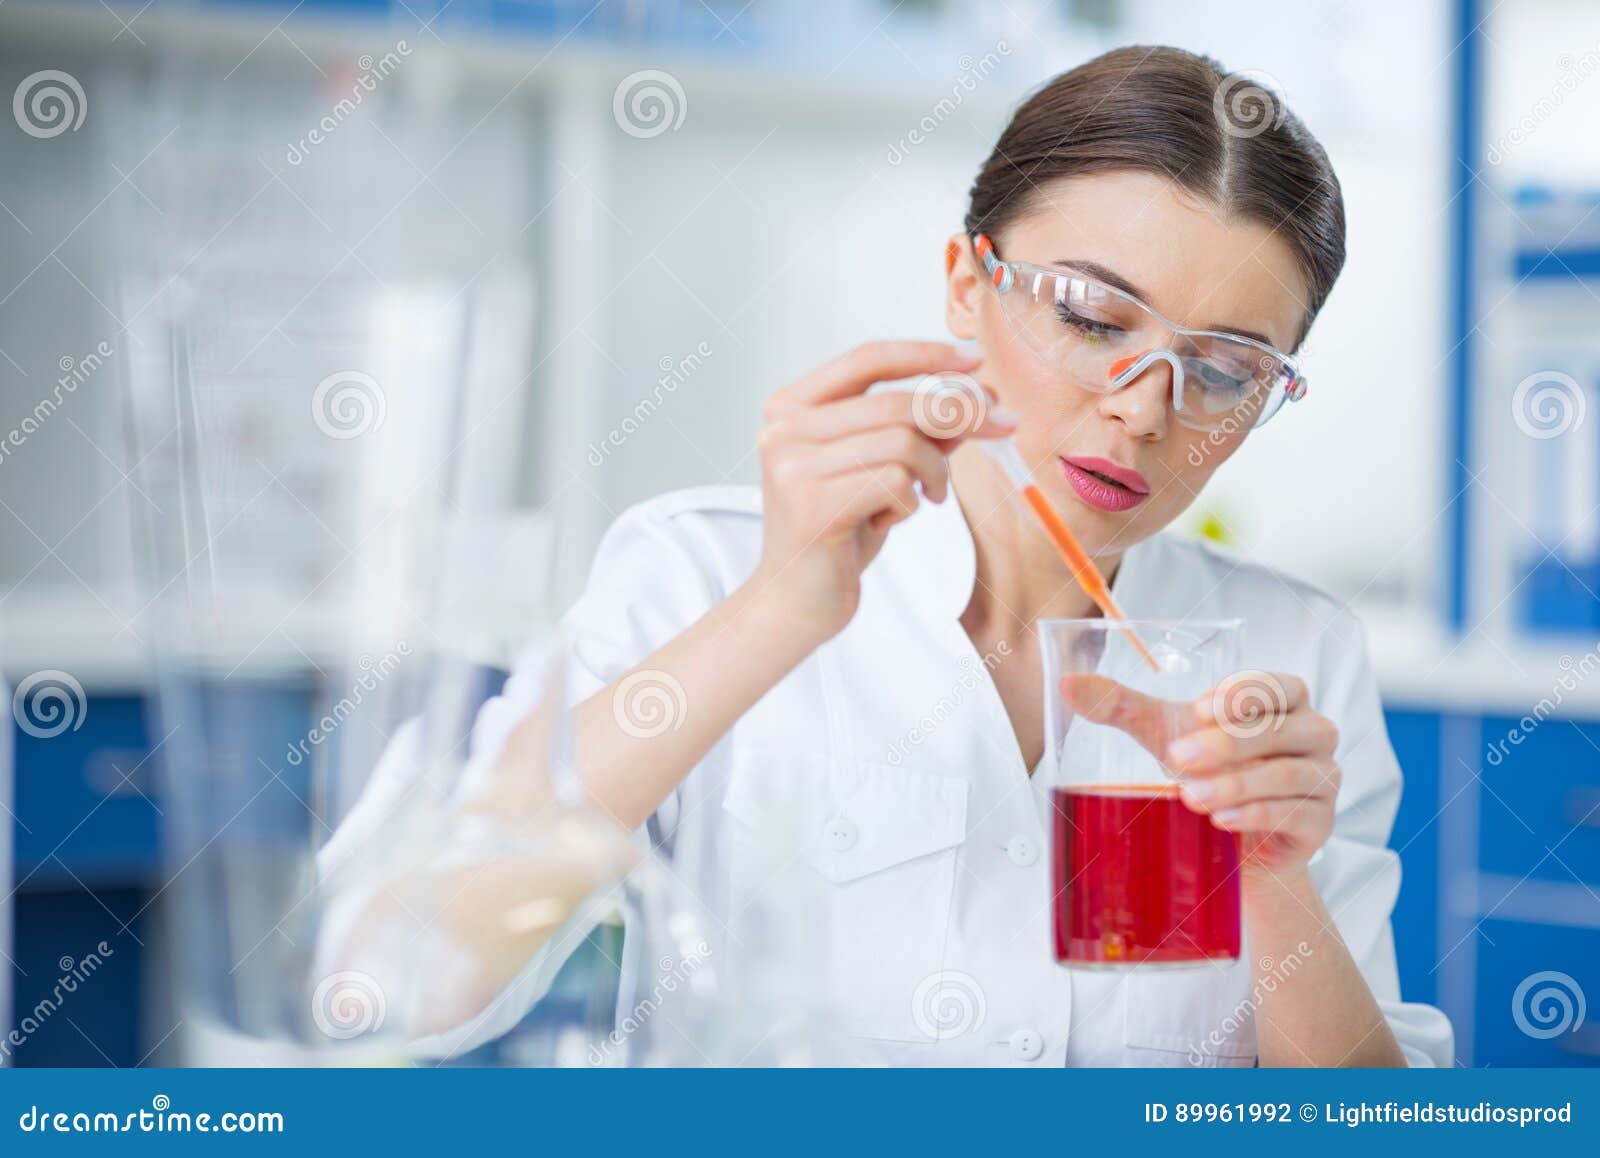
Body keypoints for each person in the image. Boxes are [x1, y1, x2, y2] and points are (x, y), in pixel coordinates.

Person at [319, 45, 1453, 1067]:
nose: (1144, 410)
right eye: (1093, 318)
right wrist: (777, 613)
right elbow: (389, 988)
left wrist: (1267, 870)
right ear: (967, 283)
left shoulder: (1293, 655)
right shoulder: (699, 575)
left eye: (1223, 371)